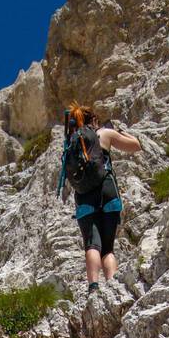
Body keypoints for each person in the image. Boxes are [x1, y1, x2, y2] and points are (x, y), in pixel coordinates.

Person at [63, 103, 141, 294]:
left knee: (91, 244)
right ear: (94, 120)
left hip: (83, 198)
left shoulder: (71, 144)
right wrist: (123, 131)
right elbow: (136, 146)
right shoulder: (105, 134)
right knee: (107, 248)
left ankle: (93, 287)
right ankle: (113, 287)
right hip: (108, 193)